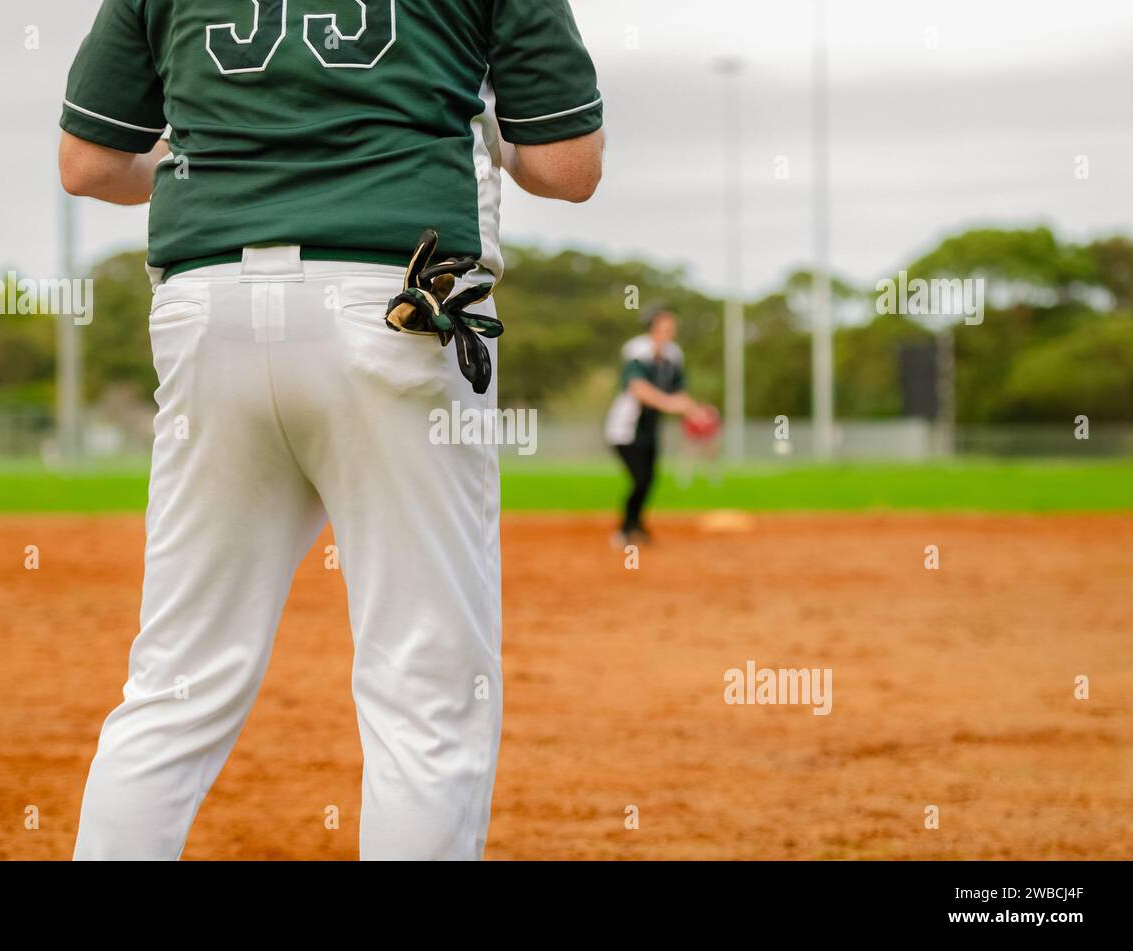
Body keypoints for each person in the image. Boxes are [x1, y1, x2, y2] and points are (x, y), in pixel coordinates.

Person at [58, 0, 604, 861]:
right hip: (397, 300)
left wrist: (217, 156)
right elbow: (567, 165)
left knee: (175, 685)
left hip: (208, 304)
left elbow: (89, 163)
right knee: (426, 696)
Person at [604, 307, 710, 544]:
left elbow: (680, 392)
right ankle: (624, 530)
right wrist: (673, 405)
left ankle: (637, 526)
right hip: (626, 429)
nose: (671, 332)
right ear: (652, 328)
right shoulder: (637, 350)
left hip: (650, 428)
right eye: (666, 327)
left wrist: (694, 411)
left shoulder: (673, 355)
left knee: (650, 478)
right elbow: (638, 389)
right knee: (640, 479)